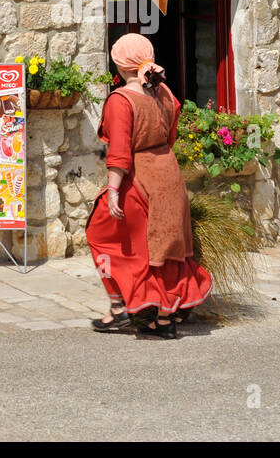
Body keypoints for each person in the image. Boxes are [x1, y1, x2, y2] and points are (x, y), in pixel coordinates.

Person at [87, 33, 212, 338]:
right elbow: (170, 136)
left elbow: (119, 153)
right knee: (165, 245)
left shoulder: (121, 100)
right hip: (168, 174)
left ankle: (120, 306)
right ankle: (165, 319)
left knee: (100, 234)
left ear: (119, 64)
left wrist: (114, 190)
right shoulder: (165, 92)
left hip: (138, 178)